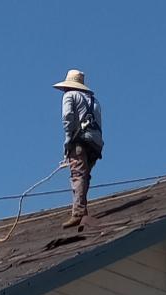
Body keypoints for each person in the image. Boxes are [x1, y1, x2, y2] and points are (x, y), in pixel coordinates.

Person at [54, 69, 104, 229]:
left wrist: (68, 140)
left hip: (80, 141)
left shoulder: (69, 96)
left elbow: (67, 117)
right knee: (85, 175)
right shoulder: (94, 101)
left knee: (78, 175)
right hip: (96, 142)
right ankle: (82, 208)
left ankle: (78, 212)